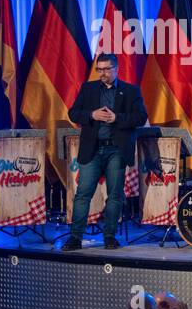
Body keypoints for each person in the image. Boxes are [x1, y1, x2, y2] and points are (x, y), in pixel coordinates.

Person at [62, 51, 147, 250]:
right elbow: (73, 113)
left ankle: (109, 236)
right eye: (99, 70)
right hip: (92, 149)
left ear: (117, 69)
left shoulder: (131, 91)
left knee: (115, 195)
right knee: (83, 194)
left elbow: (140, 118)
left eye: (107, 69)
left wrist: (116, 118)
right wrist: (91, 114)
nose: (102, 73)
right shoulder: (88, 88)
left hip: (116, 150)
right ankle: (75, 237)